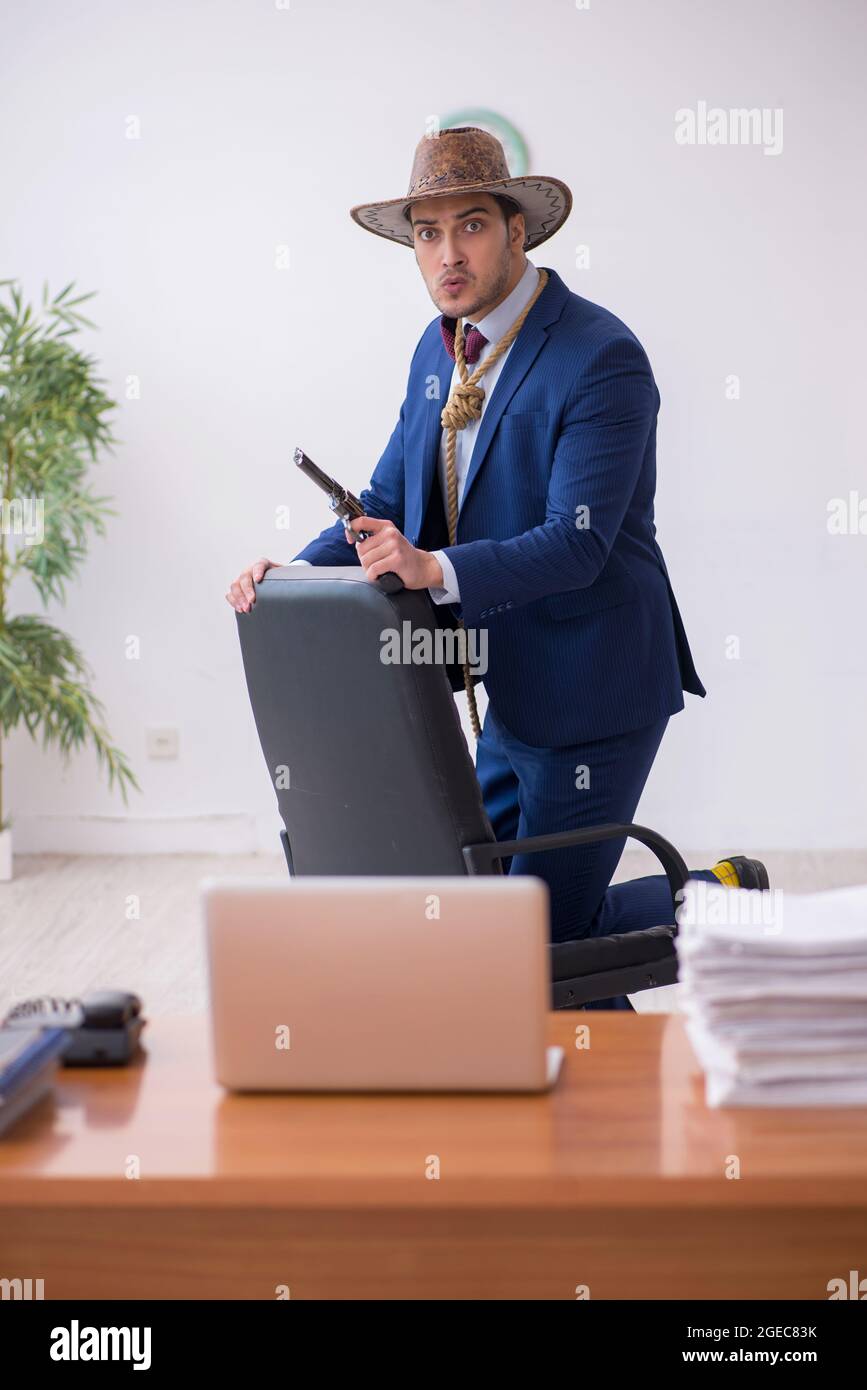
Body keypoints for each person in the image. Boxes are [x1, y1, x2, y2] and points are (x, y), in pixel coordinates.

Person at [226, 126, 767, 1007]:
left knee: (537, 949)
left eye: (469, 225)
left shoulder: (600, 357)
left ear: (517, 230)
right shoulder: (435, 350)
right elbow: (384, 500)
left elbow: (578, 540)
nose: (447, 252)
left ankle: (704, 913)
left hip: (594, 688)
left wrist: (432, 569)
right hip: (503, 686)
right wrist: (286, 576)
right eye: (427, 233)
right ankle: (716, 896)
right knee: (481, 918)